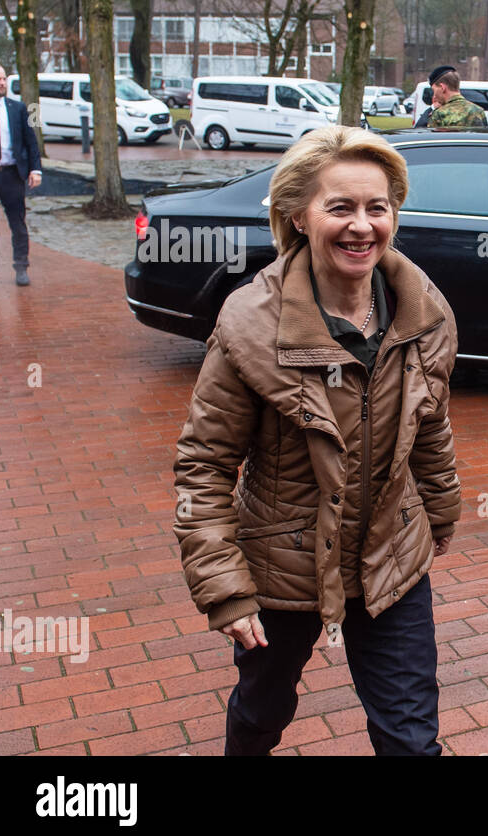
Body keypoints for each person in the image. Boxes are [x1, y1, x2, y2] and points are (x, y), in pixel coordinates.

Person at [173, 125, 461, 756]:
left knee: (412, 741)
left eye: (376, 207)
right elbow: (205, 466)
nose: (362, 226)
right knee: (260, 715)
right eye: (340, 207)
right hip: (284, 566)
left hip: (392, 556)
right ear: (299, 217)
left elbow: (429, 422)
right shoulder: (250, 326)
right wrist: (223, 586)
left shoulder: (423, 310)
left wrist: (440, 512)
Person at [0, 63, 42, 287]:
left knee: (18, 223)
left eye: (4, 79)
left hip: (12, 174)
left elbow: (31, 142)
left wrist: (35, 169)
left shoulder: (19, 108)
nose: (2, 83)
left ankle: (21, 267)